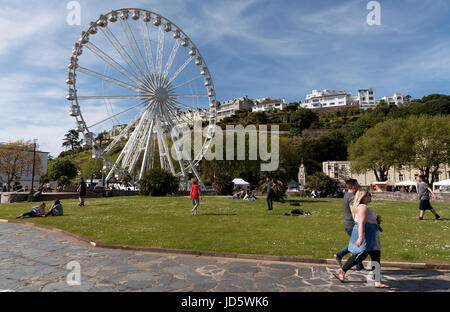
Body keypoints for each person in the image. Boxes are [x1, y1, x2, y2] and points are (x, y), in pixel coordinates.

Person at [333, 189, 389, 288]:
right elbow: (361, 223)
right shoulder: (363, 207)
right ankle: (342, 270)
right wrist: (360, 238)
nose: (370, 196)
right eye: (368, 195)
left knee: (375, 258)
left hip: (372, 236)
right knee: (360, 256)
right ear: (363, 197)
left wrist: (376, 220)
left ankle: (377, 282)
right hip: (368, 236)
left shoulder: (364, 207)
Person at [334, 179, 364, 271]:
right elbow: (353, 211)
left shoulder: (346, 195)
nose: (359, 185)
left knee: (355, 244)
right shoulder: (352, 197)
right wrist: (358, 222)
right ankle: (340, 255)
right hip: (352, 224)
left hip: (347, 223)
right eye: (357, 184)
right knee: (357, 245)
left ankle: (358, 265)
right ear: (353, 186)